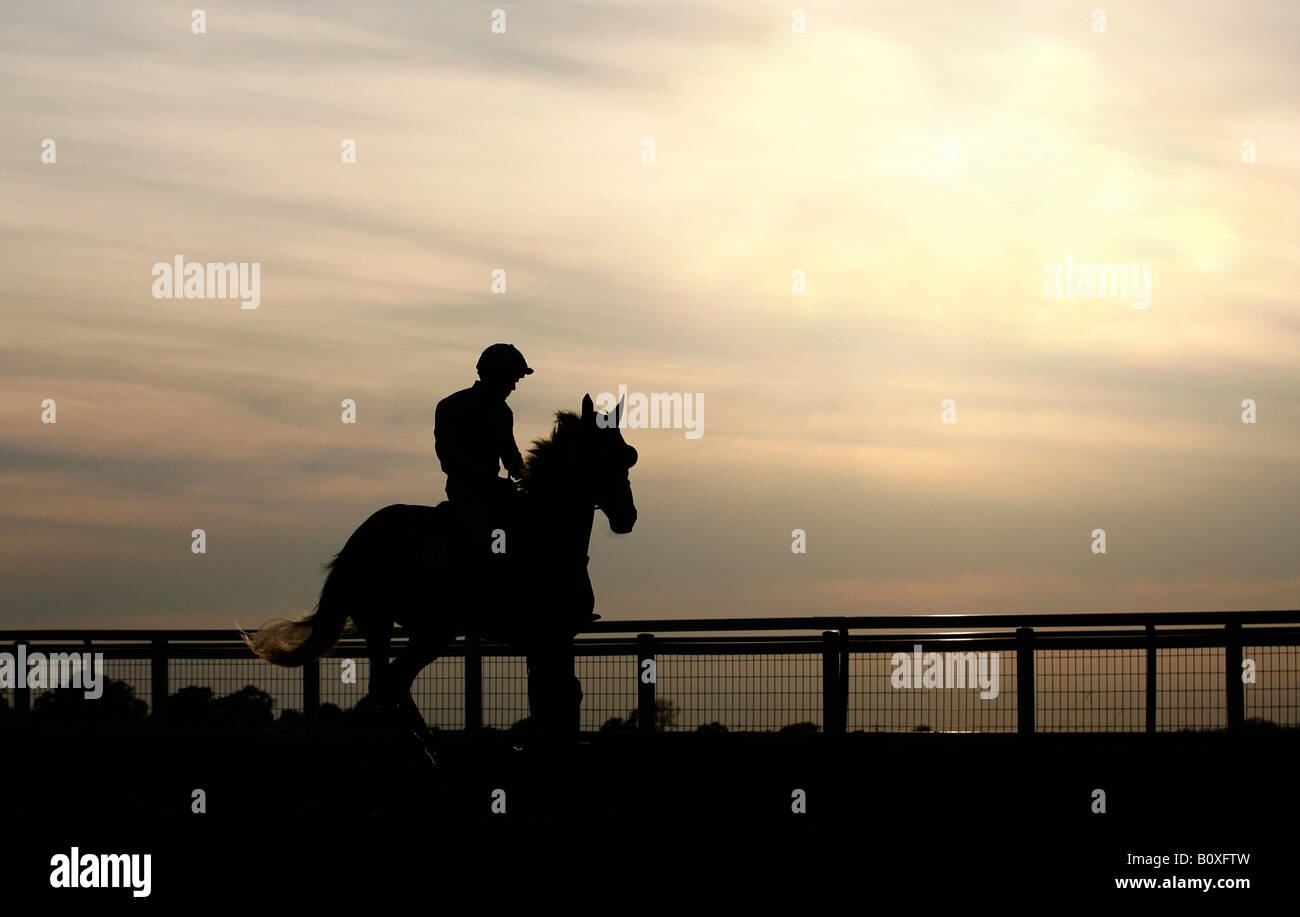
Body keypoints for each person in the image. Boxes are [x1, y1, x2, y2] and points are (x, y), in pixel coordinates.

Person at [433, 343, 533, 549]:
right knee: (481, 537)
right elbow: (450, 460)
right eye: (511, 380)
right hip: (466, 494)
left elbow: (512, 459)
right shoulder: (453, 406)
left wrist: (534, 482)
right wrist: (490, 483)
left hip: (496, 493)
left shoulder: (504, 413)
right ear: (495, 375)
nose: (513, 387)